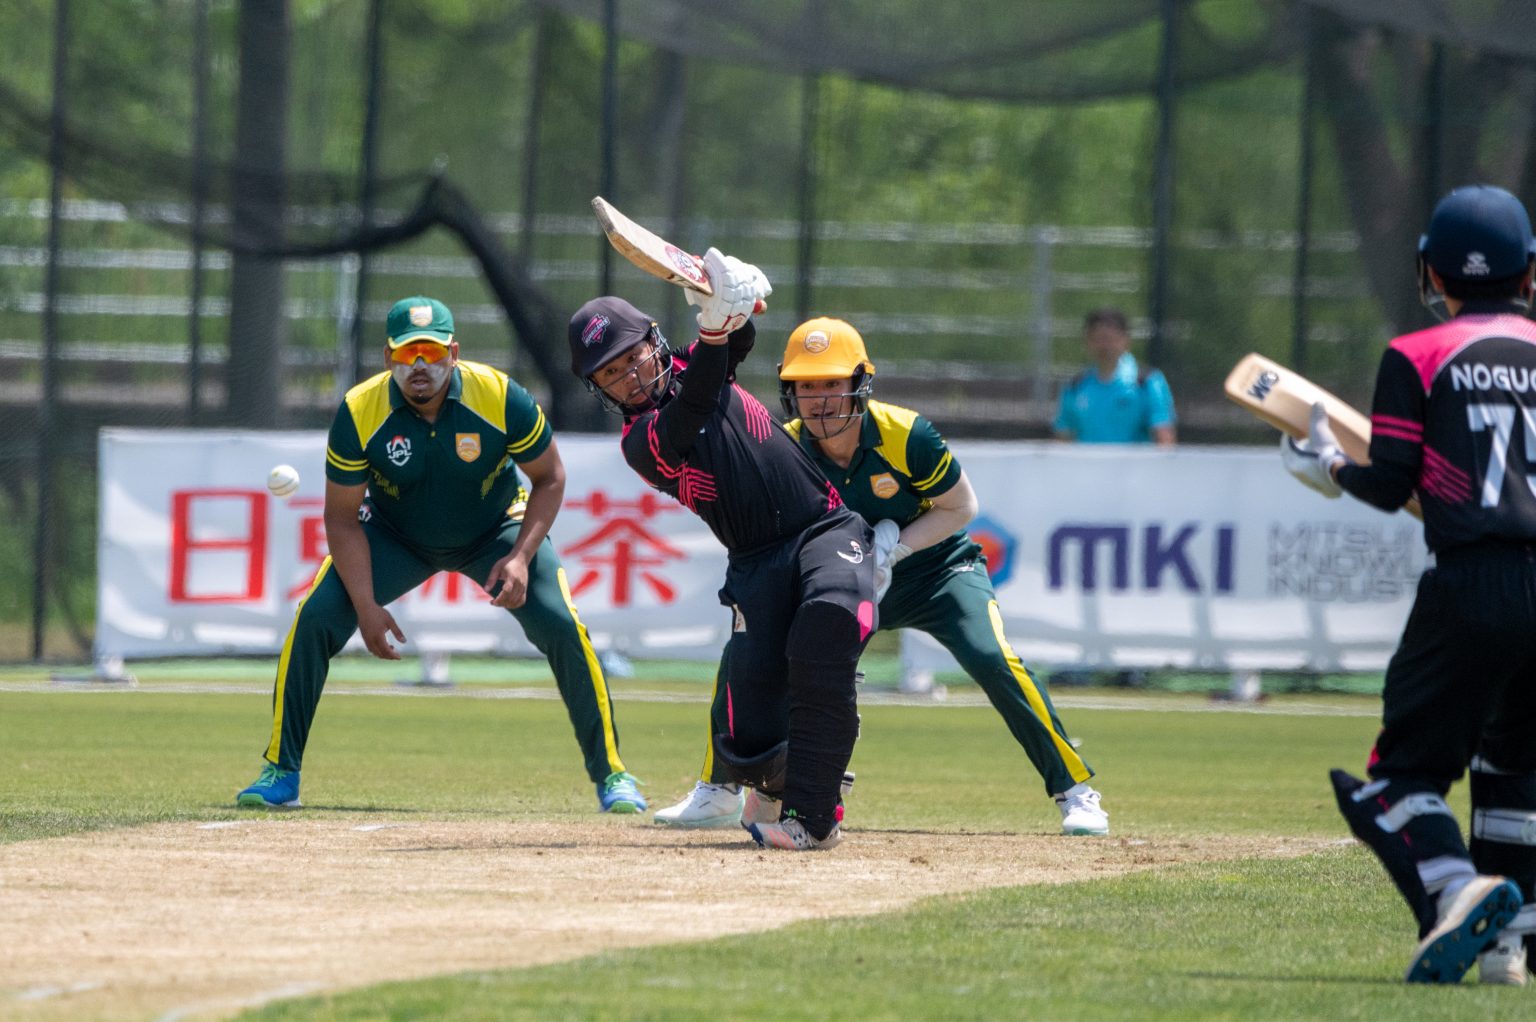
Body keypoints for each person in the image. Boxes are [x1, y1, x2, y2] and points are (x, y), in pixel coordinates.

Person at [653, 317, 1109, 837]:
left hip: (934, 573)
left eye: (831, 383)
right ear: (788, 390)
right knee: (747, 643)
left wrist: (896, 547)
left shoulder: (905, 434)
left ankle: (1075, 791)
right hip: (839, 580)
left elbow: (961, 507)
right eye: (806, 385)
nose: (819, 399)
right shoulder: (785, 446)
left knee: (992, 658)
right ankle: (720, 789)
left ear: (859, 382)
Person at [236, 295, 644, 814]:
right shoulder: (361, 410)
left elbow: (550, 478)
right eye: (408, 355)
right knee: (314, 617)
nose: (420, 366)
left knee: (562, 626)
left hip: (495, 529)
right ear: (389, 359)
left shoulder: (498, 395)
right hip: (394, 534)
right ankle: (281, 771)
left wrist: (520, 556)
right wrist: (364, 605)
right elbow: (341, 518)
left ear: (454, 351)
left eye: (431, 352)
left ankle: (613, 774)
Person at [1283, 184, 1535, 985]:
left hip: (1471, 584)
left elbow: (1391, 483)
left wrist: (1323, 463)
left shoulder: (1417, 354)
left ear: (1433, 270)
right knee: (1513, 772)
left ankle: (1458, 890)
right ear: (1529, 272)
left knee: (1397, 780)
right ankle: (1510, 948)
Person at [567, 251, 878, 852]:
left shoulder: (691, 360)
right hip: (756, 565)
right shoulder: (641, 442)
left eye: (633, 358)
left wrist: (729, 301)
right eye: (611, 375)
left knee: (826, 629)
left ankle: (814, 821)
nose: (629, 377)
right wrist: (716, 324)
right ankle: (798, 772)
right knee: (750, 736)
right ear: (599, 389)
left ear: (655, 343)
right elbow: (697, 403)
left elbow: (740, 342)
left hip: (824, 528)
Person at [1053, 308, 1176, 446]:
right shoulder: (1075, 386)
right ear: (1087, 341)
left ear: (1126, 340)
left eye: (1110, 339)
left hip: (1136, 467)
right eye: (1098, 339)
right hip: (1086, 467)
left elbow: (1164, 436)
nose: (1105, 346)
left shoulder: (1147, 382)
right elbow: (1063, 437)